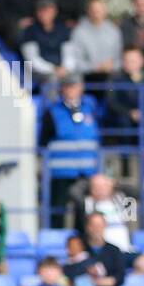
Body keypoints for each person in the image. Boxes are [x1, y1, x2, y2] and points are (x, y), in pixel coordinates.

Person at [39, 73, 101, 223]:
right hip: (61, 174)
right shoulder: (53, 112)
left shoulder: (90, 109)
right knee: (57, 213)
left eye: (75, 86)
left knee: (84, 214)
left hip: (86, 173)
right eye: (68, 87)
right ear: (63, 89)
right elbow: (43, 141)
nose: (72, 90)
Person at [64, 213, 134, 286]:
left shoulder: (114, 250)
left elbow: (119, 277)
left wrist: (103, 281)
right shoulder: (79, 248)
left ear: (105, 226)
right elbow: (68, 269)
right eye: (94, 225)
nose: (97, 229)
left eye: (100, 225)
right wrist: (88, 275)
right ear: (88, 227)